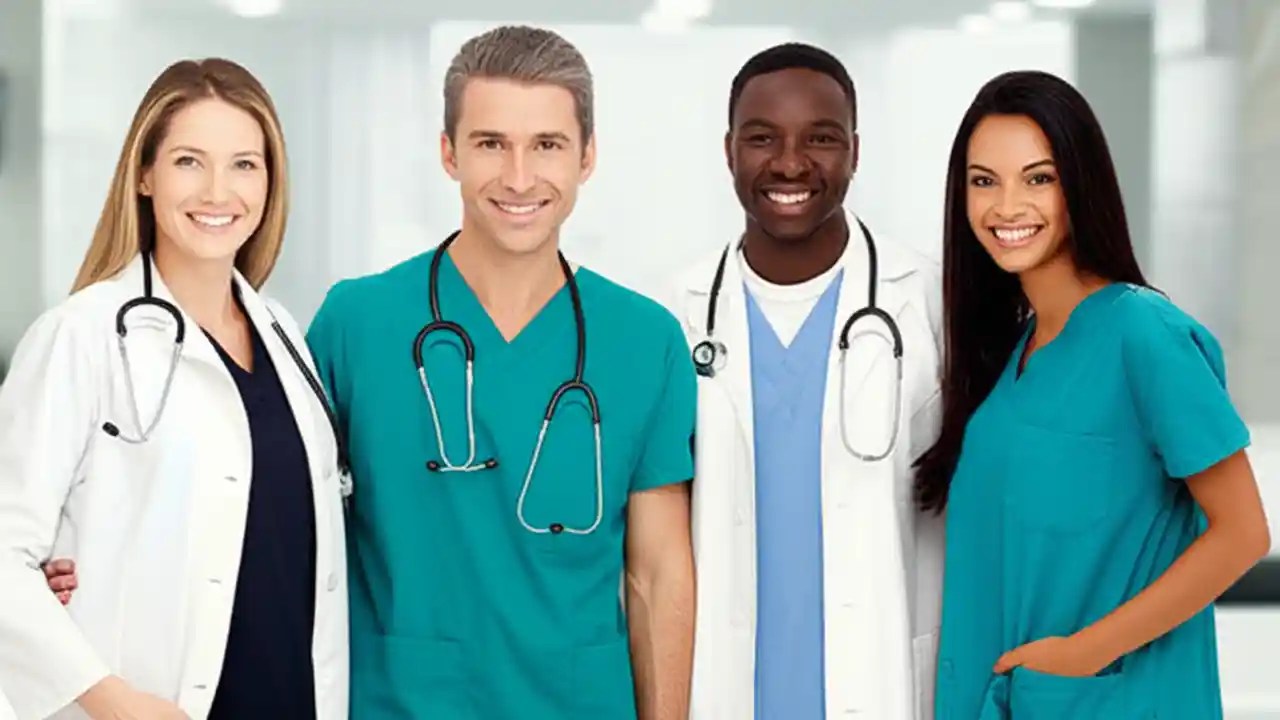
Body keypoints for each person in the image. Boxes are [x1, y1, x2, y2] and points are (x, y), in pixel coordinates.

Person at [303, 26, 696, 719]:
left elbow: (657, 575)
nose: (519, 178)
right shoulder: (357, 324)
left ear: (588, 157)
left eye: (547, 145)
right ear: (448, 152)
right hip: (401, 701)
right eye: (491, 144)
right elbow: (281, 520)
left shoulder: (645, 340)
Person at [916, 69, 1271, 719]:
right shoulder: (1009, 356)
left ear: (1081, 183)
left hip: (1106, 696)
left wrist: (1086, 652)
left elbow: (1242, 532)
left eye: (1038, 178)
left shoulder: (1142, 334)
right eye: (983, 181)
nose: (1006, 207)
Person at [0, 59, 349, 719]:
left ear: (271, 183)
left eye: (245, 164)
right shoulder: (81, 336)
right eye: (190, 161)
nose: (219, 191)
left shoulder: (285, 336)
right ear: (144, 174)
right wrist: (115, 702)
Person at [670, 43, 945, 719]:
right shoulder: (677, 313)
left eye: (820, 139)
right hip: (727, 689)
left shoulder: (931, 303)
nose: (791, 164)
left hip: (883, 683)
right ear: (729, 150)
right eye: (763, 139)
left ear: (855, 150)